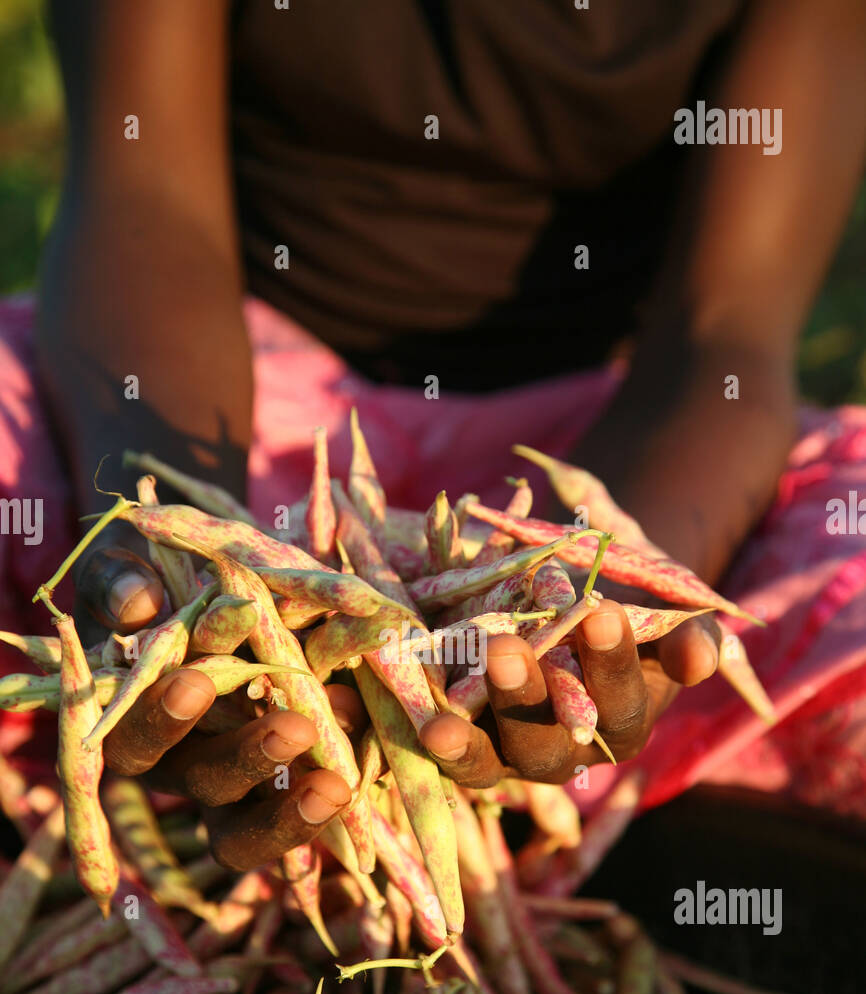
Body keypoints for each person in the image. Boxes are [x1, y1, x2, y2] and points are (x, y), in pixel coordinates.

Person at [2, 0, 865, 870]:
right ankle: (582, 848)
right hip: (204, 397)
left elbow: (723, 335)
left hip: (602, 449)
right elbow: (145, 197)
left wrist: (612, 583)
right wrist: (180, 553)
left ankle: (539, 830)